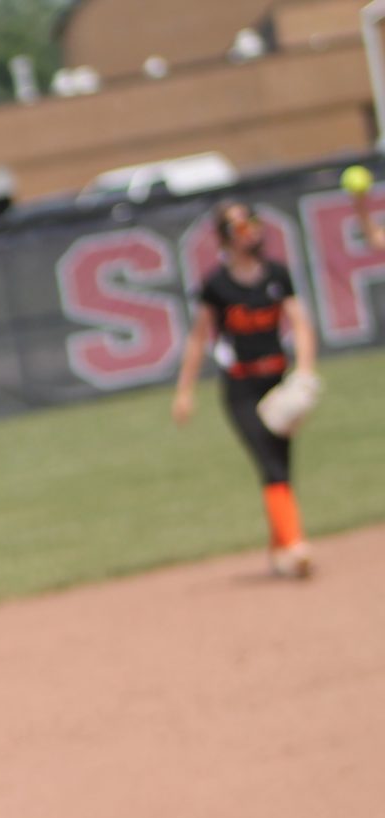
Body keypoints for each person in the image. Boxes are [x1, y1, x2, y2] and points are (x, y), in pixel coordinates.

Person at [172, 199, 320, 579]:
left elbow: (301, 325)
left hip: (278, 381)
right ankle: (296, 544)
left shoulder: (277, 275)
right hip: (241, 387)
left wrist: (303, 373)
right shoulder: (217, 286)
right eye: (239, 226)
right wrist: (185, 390)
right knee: (269, 464)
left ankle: (279, 547)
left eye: (252, 221)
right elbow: (198, 337)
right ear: (224, 238)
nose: (250, 230)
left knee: (282, 467)